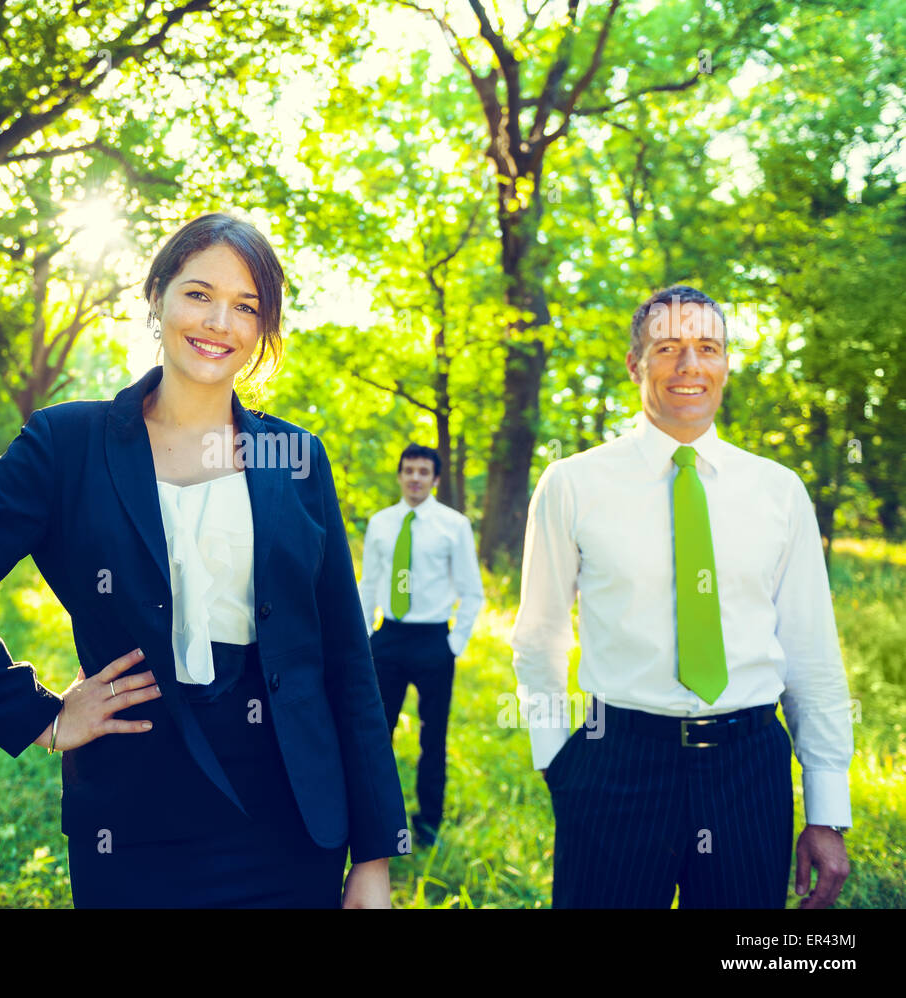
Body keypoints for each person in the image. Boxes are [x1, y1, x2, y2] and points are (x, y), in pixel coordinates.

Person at [0, 212, 408, 908]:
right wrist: (37, 715)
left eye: (247, 307)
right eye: (198, 293)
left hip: (294, 817)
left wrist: (374, 853)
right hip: (136, 815)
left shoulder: (296, 458)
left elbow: (346, 660)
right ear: (157, 296)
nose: (220, 321)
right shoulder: (69, 444)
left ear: (264, 329)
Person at [511, 285, 853, 909]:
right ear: (635, 363)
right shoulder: (572, 484)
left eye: (707, 347)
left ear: (725, 364)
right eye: (667, 347)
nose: (689, 365)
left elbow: (812, 655)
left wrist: (827, 808)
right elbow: (538, 636)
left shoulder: (779, 493)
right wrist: (557, 762)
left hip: (748, 769)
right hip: (613, 762)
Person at [359, 443, 483, 847]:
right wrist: (363, 639)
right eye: (408, 470)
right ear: (400, 475)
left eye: (423, 472)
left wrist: (454, 644)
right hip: (388, 638)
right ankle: (376, 816)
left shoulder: (454, 525)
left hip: (433, 641)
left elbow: (472, 591)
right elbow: (369, 584)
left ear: (435, 479)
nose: (415, 477)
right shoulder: (380, 522)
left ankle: (428, 823)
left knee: (434, 736)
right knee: (377, 732)